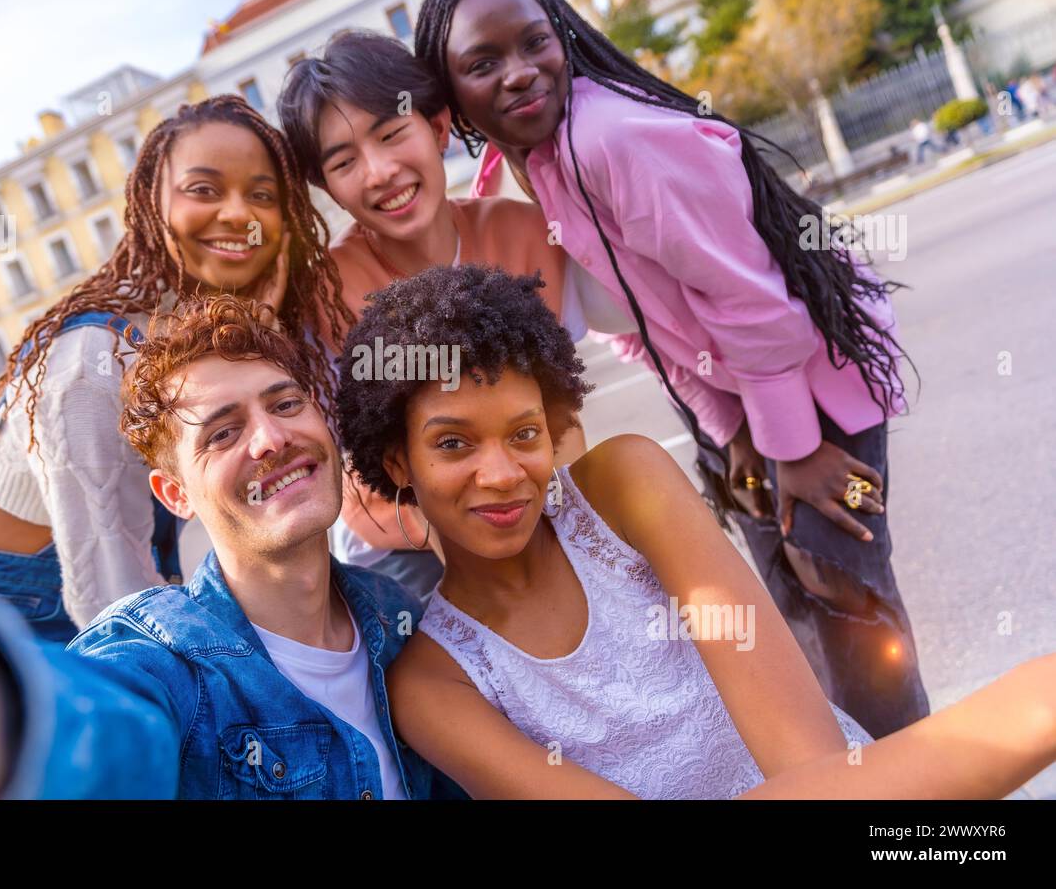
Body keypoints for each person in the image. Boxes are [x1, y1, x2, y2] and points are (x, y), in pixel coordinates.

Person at [413, 0, 929, 738]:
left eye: (534, 43)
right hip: (745, 409)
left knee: (849, 589)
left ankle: (922, 794)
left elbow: (753, 306)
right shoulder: (525, 167)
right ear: (452, 95)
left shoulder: (615, 139)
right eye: (483, 64)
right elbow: (644, 322)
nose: (519, 74)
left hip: (819, 399)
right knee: (790, 596)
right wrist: (734, 433)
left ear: (565, 35)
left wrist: (791, 446)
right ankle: (839, 773)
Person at [335, 264, 1056, 799]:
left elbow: (810, 759)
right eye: (454, 444)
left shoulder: (624, 486)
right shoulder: (432, 680)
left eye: (524, 434)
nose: (501, 473)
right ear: (398, 458)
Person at [0, 295, 447, 799]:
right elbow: (97, 728)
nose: (270, 438)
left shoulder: (402, 619)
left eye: (286, 403)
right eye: (221, 432)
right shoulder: (164, 661)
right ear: (173, 495)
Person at [0, 95, 355, 641]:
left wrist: (259, 335)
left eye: (262, 195)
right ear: (150, 203)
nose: (238, 214)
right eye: (204, 189)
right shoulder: (91, 360)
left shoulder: (205, 328)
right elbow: (110, 602)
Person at [277, 29, 601, 600]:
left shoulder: (526, 235)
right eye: (344, 161)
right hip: (400, 535)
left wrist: (571, 526)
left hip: (525, 499)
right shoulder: (324, 294)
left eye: (392, 133)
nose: (378, 173)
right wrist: (458, 544)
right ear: (324, 184)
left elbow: (560, 416)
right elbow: (357, 468)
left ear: (437, 127)